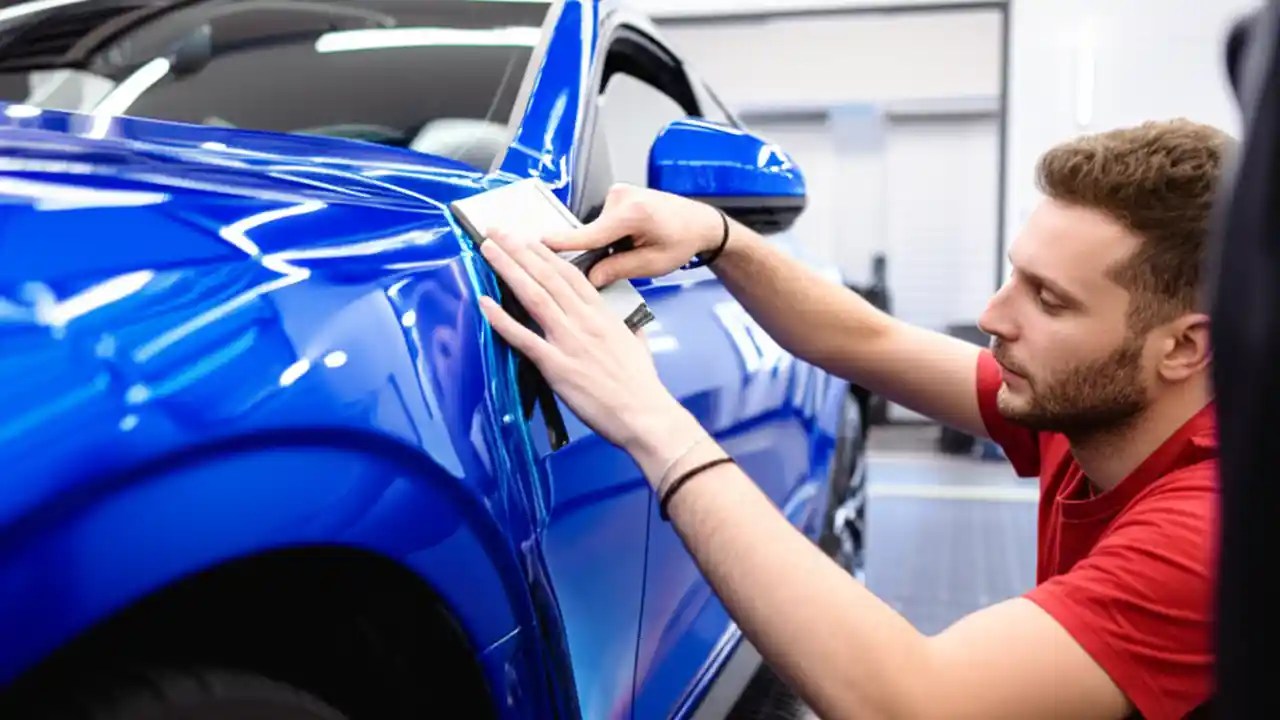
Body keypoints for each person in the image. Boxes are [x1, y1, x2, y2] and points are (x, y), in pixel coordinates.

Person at [476, 118, 1230, 719]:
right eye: (1014, 277)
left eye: (1050, 299)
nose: (993, 315)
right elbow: (865, 340)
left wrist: (648, 417)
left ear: (1183, 347)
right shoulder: (1100, 405)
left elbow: (919, 705)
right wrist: (718, 237)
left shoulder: (1209, 531)